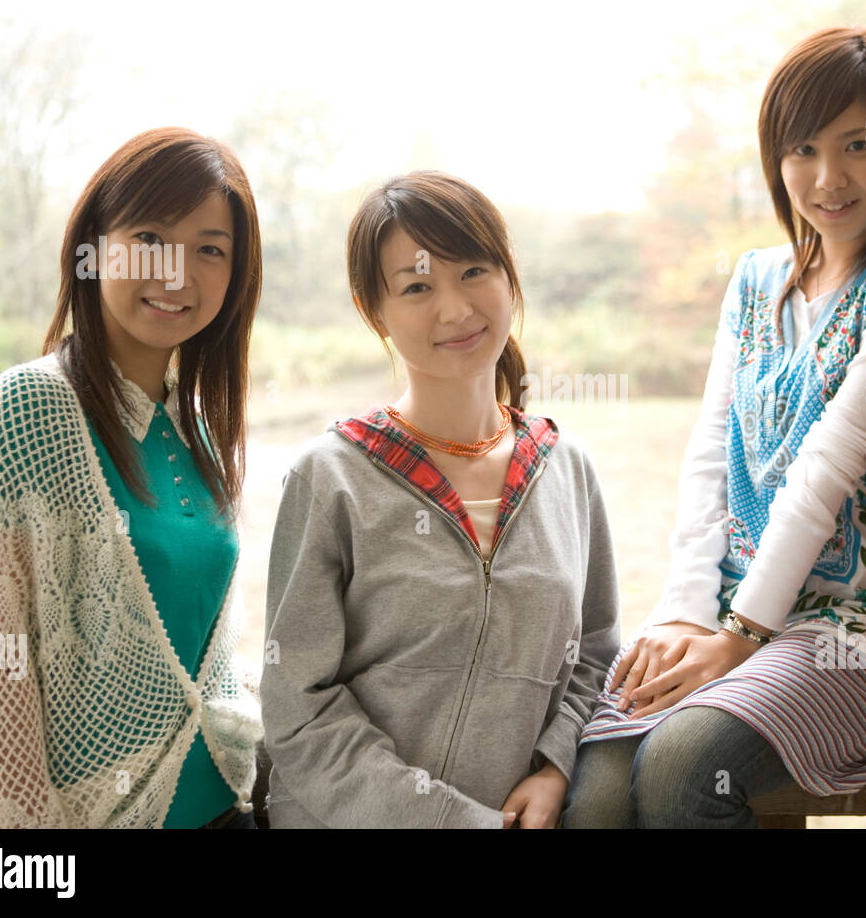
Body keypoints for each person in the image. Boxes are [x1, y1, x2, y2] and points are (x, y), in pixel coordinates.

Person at [562, 27, 866, 828]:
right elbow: (711, 448)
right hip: (723, 609)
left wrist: (742, 635)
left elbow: (829, 463)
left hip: (857, 635)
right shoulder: (756, 280)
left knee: (684, 767)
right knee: (599, 795)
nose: (828, 179)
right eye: (803, 148)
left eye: (859, 145)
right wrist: (688, 613)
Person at [0, 127, 265, 828]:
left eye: (210, 249)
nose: (178, 275)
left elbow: (206, 654)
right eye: (149, 238)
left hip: (226, 808)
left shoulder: (199, 426)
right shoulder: (25, 410)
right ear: (93, 248)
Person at [260, 170, 620, 828]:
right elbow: (298, 707)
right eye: (418, 287)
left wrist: (554, 766)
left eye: (475, 272)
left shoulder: (567, 471)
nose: (455, 310)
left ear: (510, 280)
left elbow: (595, 649)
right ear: (377, 313)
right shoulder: (330, 479)